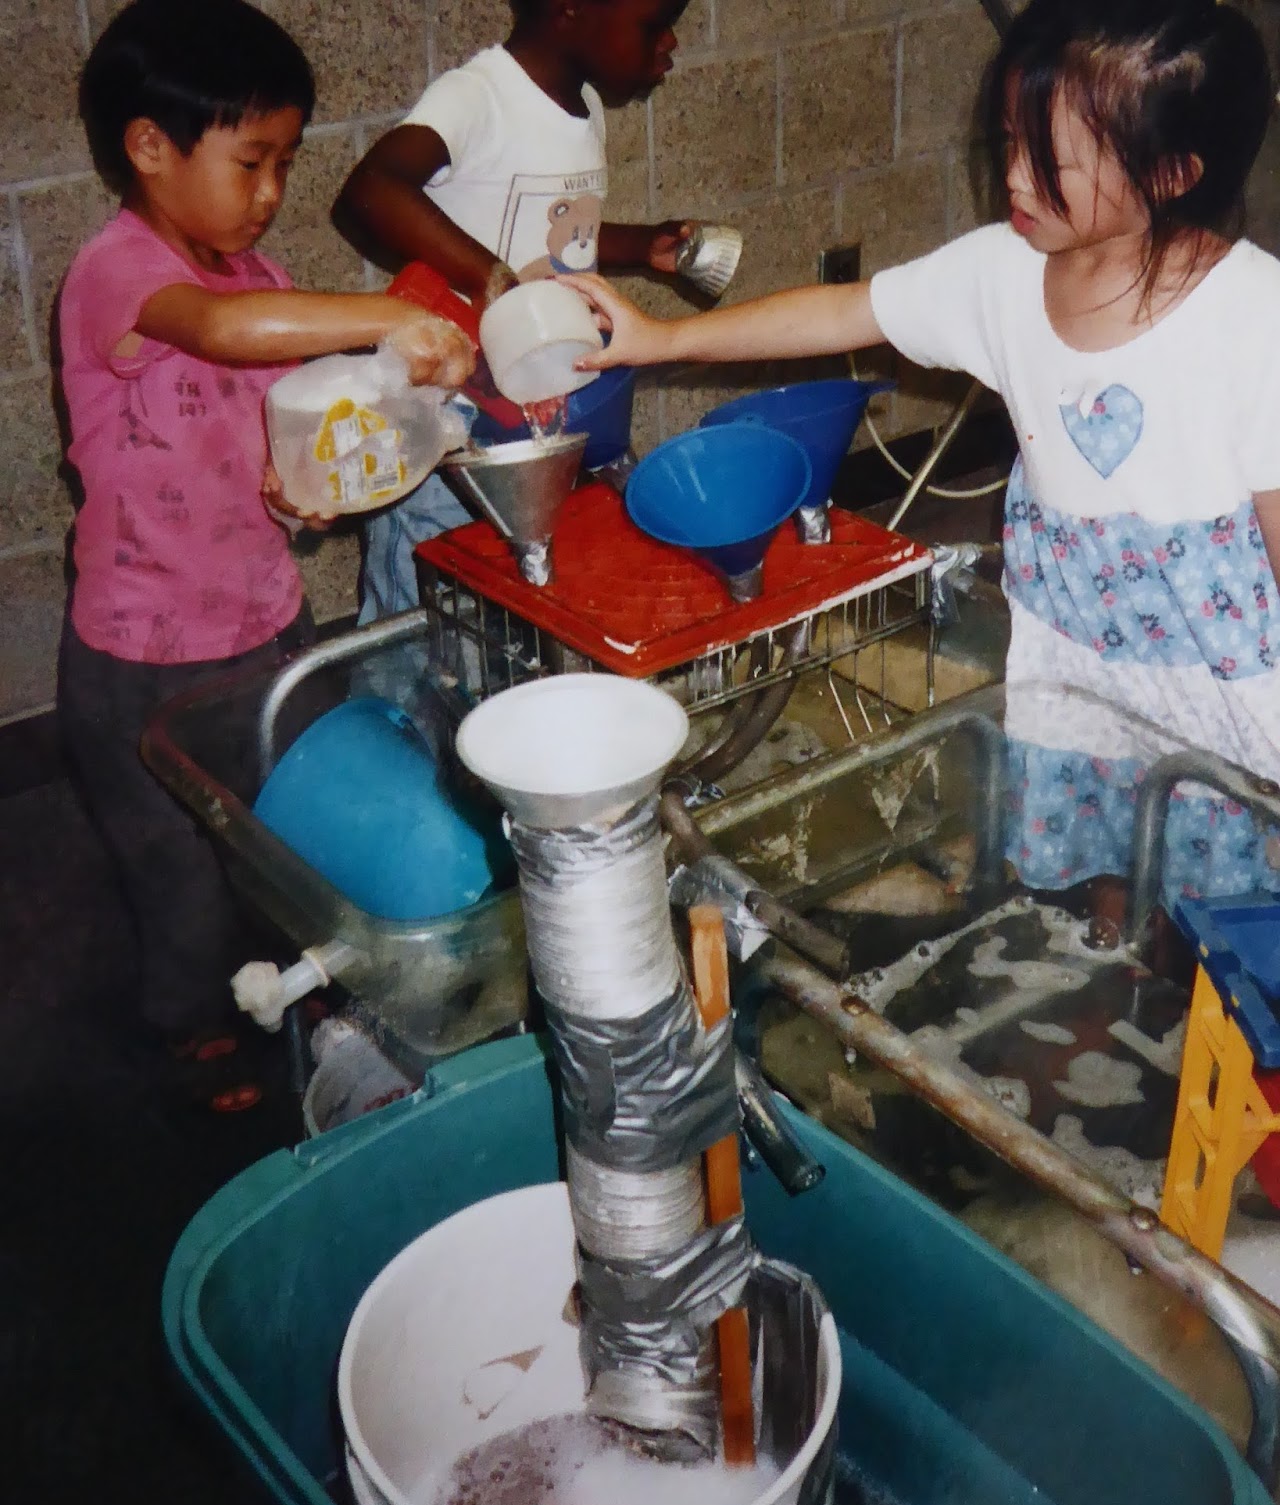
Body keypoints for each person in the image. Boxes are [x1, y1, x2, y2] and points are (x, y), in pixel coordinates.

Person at [570, 0, 1280, 920]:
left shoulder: (1252, 314)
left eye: (1050, 161)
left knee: (1229, 914)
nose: (1015, 178)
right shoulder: (1003, 275)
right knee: (1098, 880)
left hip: (1215, 681)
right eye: (1007, 143)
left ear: (1174, 172)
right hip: (1074, 667)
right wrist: (660, 341)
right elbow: (842, 314)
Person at [59, 0, 474, 1111]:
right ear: (150, 147)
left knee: (292, 833)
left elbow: (279, 429)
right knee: (178, 869)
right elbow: (224, 336)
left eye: (284, 162)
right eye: (250, 161)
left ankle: (312, 986)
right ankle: (187, 1024)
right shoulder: (117, 270)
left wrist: (309, 492)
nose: (270, 192)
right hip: (140, 656)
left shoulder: (261, 279)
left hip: (267, 622)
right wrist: (385, 317)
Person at [334, 0, 699, 622]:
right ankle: (397, 717)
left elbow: (558, 243)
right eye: (651, 25)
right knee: (426, 616)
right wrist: (491, 280)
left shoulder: (584, 109)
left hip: (533, 414)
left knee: (513, 606)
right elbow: (372, 191)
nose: (669, 44)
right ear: (571, 11)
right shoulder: (479, 96)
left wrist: (641, 244)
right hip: (451, 435)